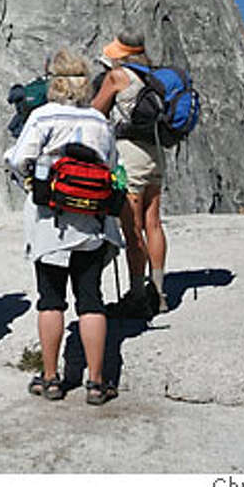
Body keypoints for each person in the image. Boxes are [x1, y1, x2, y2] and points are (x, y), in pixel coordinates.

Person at [3, 49, 122, 405]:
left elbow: (18, 158)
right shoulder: (100, 122)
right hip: (92, 224)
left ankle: (52, 378)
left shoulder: (42, 117)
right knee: (91, 300)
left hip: (49, 224)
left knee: (51, 299)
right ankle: (97, 383)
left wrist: (31, 177)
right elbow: (112, 168)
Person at [91, 31, 168, 316]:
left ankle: (137, 296)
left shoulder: (118, 76)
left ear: (122, 54)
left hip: (129, 155)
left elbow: (96, 110)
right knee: (154, 222)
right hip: (155, 153)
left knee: (131, 226)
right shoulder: (153, 76)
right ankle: (158, 290)